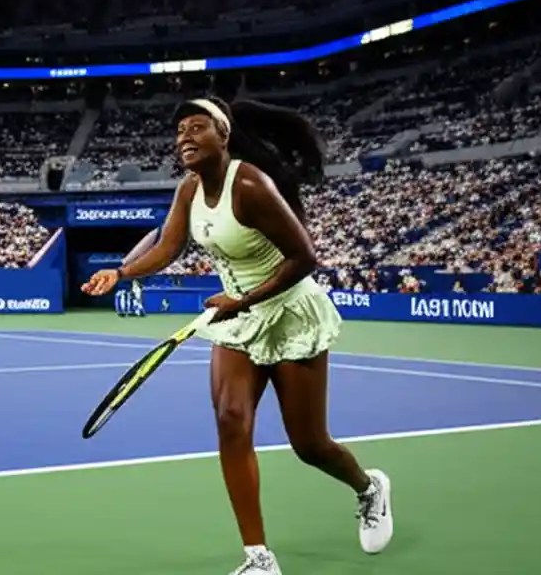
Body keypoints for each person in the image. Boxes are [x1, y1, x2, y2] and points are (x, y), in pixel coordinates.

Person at [82, 96, 393, 575]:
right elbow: (168, 246)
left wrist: (241, 301)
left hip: (290, 311)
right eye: (180, 129)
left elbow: (305, 258)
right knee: (231, 419)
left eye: (197, 127)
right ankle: (259, 559)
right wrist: (120, 273)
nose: (185, 136)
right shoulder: (188, 191)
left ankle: (368, 487)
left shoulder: (249, 184)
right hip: (237, 320)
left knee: (310, 445)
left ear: (223, 135)